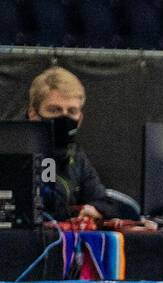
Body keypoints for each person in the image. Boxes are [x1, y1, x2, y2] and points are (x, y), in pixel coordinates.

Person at [26, 67, 110, 221]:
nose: (64, 118)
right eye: (54, 110)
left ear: (80, 118)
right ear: (33, 114)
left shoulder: (76, 155)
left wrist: (95, 211)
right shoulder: (12, 153)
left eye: (71, 111)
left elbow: (103, 202)